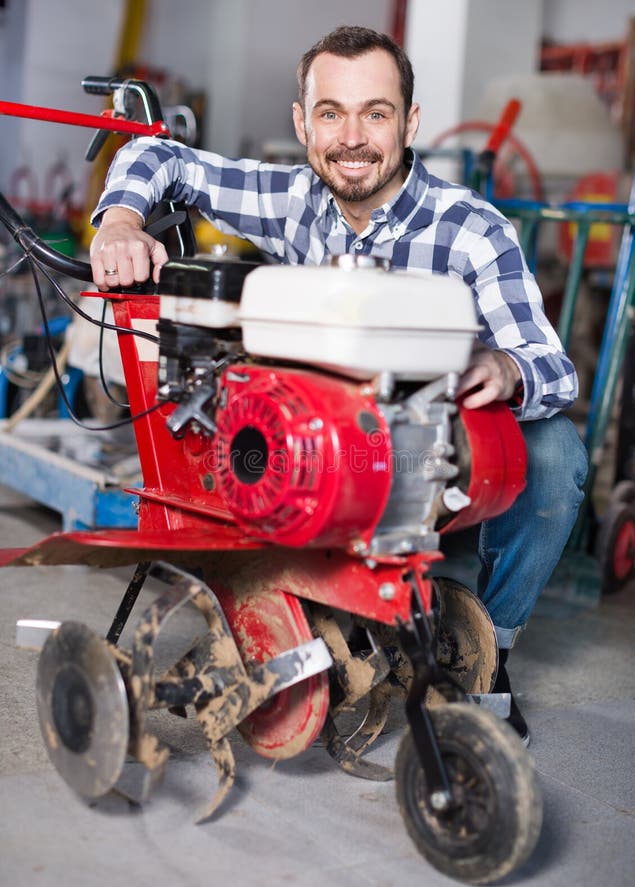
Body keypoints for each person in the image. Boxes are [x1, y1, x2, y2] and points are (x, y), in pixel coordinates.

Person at [89, 25, 588, 746]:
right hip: (327, 448)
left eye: (376, 113)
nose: (352, 138)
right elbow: (154, 153)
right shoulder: (290, 198)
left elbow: (552, 367)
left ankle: (489, 648)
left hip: (427, 454)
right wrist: (120, 220)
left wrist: (503, 370)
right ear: (302, 122)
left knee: (554, 458)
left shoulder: (472, 231)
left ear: (409, 122)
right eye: (331, 113)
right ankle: (298, 595)